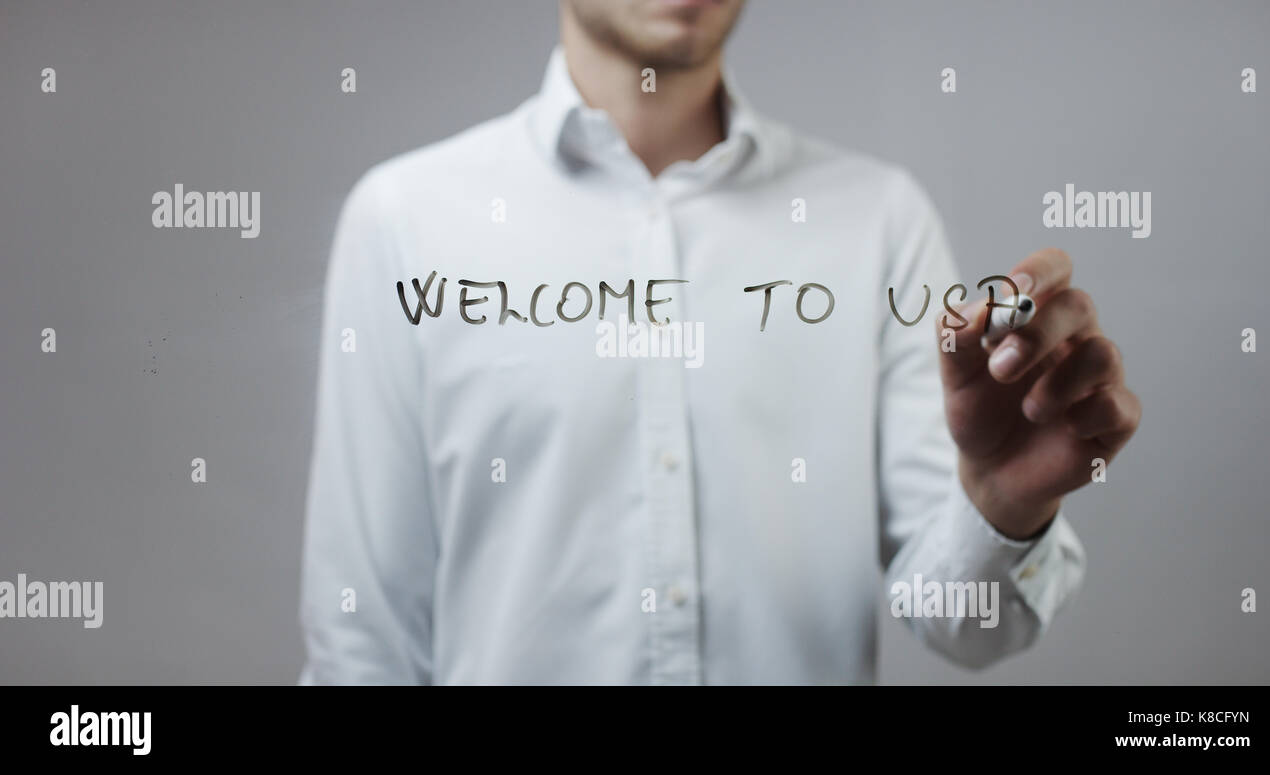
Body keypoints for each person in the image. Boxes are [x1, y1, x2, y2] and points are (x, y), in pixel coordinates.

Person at [298, 0, 1140, 684]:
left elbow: (966, 627)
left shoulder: (878, 221)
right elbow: (360, 643)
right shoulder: (407, 221)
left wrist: (1001, 506)